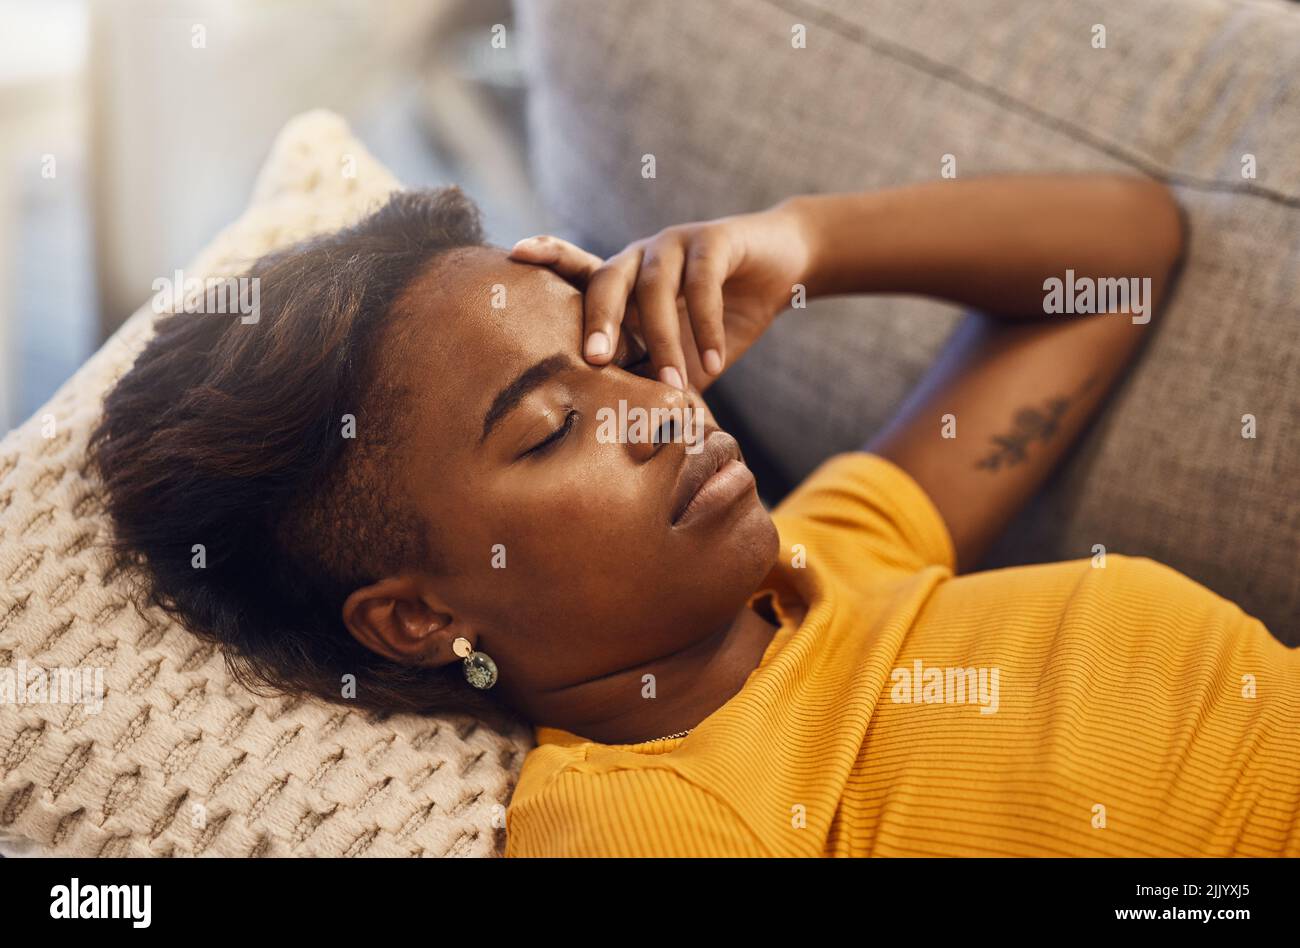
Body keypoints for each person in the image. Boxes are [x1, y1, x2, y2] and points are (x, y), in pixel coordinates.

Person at [89, 176, 1299, 858]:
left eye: (617, 355)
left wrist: (803, 239)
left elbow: (1122, 263)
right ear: (416, 616)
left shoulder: (835, 557)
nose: (665, 410)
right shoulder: (638, 821)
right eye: (551, 427)